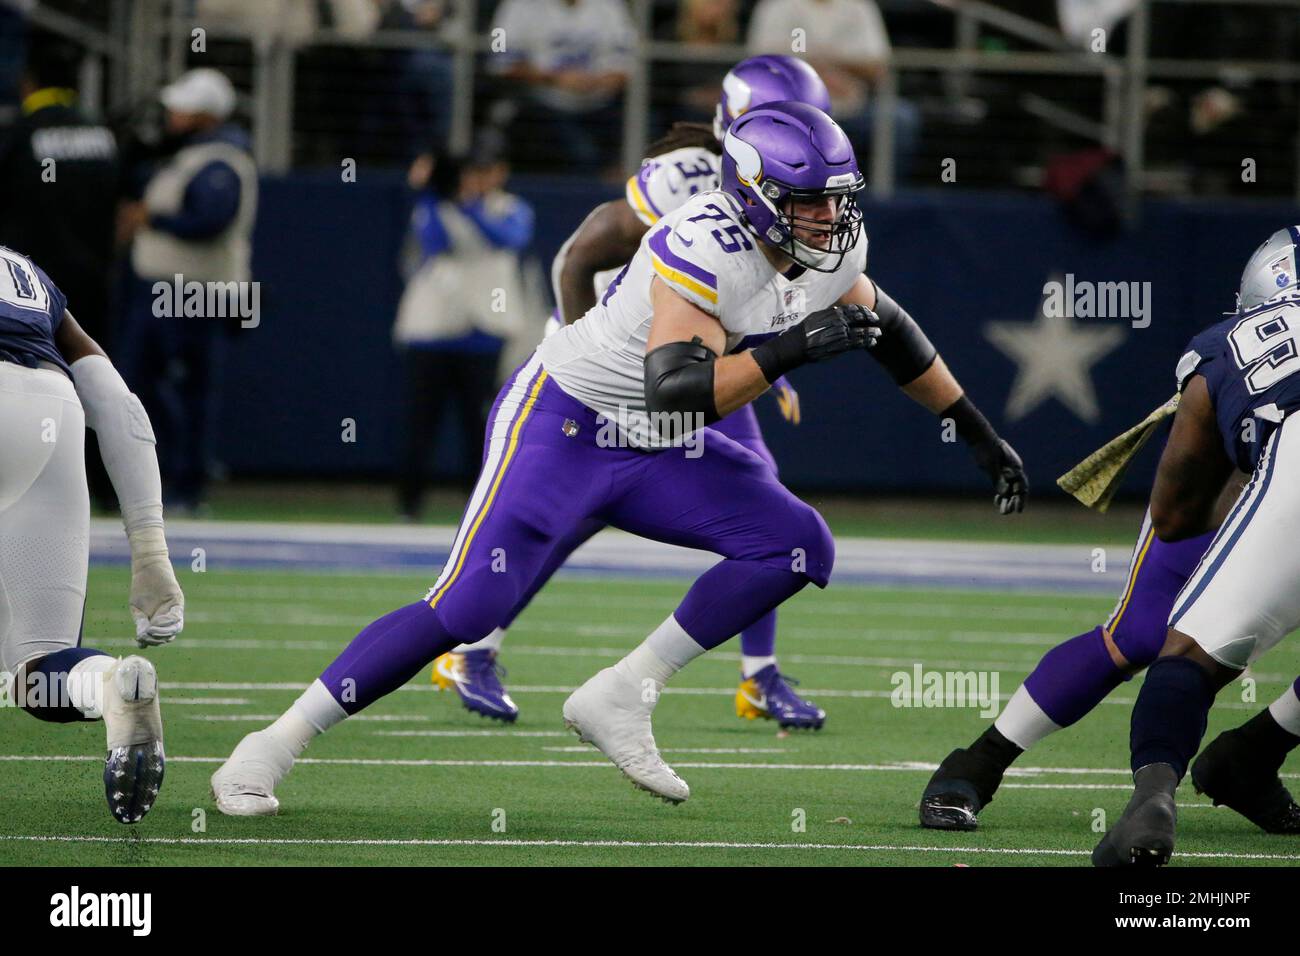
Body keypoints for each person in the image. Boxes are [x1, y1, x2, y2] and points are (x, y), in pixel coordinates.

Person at [210, 101, 1025, 816]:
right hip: (565, 428)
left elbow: (897, 337)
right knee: (465, 609)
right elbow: (678, 388)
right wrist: (789, 351)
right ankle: (271, 744)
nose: (826, 220)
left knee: (797, 544)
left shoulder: (827, 249)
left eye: (834, 202)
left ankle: (622, 693)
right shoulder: (704, 242)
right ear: (753, 194)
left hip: (658, 447)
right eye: (807, 203)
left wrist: (978, 433)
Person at [431, 56, 834, 730]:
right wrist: (582, 348)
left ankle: (758, 674)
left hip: (694, 359)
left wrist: (771, 364)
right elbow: (578, 255)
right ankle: (475, 643)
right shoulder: (688, 175)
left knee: (765, 501)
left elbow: (760, 296)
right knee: (574, 512)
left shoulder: (789, 193)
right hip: (625, 361)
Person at [1093, 227, 1300, 865]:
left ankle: (1154, 796)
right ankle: (1253, 754)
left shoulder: (1223, 346)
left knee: (1191, 651)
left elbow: (1175, 516)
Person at [0, 244, 184, 824]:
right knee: (40, 666)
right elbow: (110, 395)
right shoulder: (23, 268)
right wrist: (150, 548)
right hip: (50, 407)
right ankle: (110, 686)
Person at [116, 68, 257, 512]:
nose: (172, 115)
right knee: (146, 386)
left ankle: (185, 486)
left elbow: (210, 220)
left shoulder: (221, 160)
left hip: (194, 293)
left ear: (204, 114)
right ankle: (160, 484)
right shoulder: (188, 155)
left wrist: (152, 220)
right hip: (169, 290)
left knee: (181, 389)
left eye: (182, 108)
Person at [0, 30, 121, 508]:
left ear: (28, 82)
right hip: (93, 278)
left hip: (28, 290)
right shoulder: (104, 135)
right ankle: (104, 486)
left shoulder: (20, 135)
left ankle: (38, 483)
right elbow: (123, 207)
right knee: (98, 379)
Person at [394, 135, 535, 517]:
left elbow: (509, 239)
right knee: (421, 420)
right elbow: (433, 244)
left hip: (485, 331)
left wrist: (469, 206)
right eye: (472, 171)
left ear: (501, 173)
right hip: (434, 328)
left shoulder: (512, 208)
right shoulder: (435, 208)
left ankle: (481, 506)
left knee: (482, 424)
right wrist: (428, 193)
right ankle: (410, 505)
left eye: (487, 171)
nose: (479, 178)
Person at [746, 0, 921, 179]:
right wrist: (816, 76)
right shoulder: (775, 7)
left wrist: (836, 68)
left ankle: (885, 198)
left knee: (900, 118)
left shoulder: (860, 7)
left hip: (854, 108)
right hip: (794, 110)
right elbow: (762, 64)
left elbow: (877, 67)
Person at [489, 0, 636, 174]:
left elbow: (627, 63)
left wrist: (597, 81)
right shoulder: (517, 5)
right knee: (582, 153)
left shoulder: (611, 5)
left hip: (601, 103)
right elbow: (499, 60)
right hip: (542, 104)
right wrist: (553, 78)